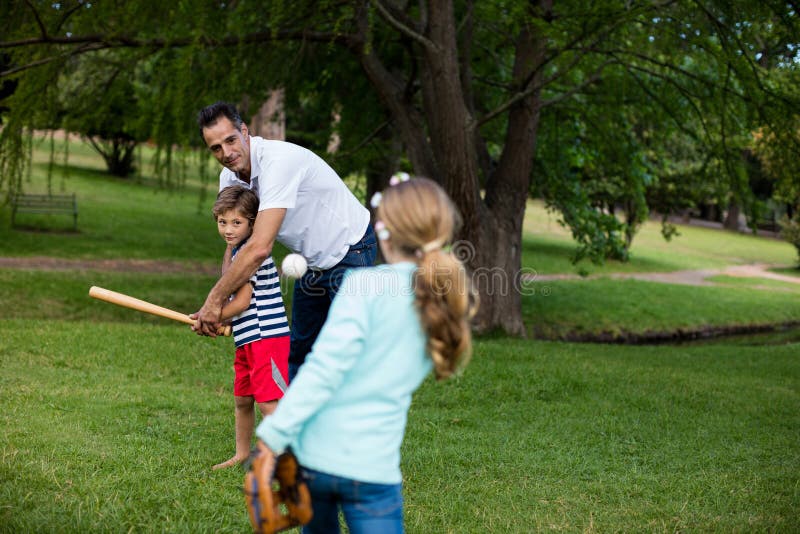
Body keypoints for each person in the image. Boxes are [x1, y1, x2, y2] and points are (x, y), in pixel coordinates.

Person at [253, 177, 478, 533]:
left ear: (382, 232)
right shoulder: (440, 300)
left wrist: (274, 434)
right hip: (375, 472)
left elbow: (324, 369)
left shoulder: (364, 285)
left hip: (317, 463)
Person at [192, 102, 377, 381]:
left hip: (351, 250)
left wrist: (215, 301)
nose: (226, 153)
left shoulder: (278, 163)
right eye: (215, 148)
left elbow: (259, 247)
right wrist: (226, 305)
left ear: (244, 131)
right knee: (299, 354)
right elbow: (237, 245)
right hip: (311, 263)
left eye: (230, 140)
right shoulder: (229, 177)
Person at [211, 185, 291, 470]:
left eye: (237, 222)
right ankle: (242, 454)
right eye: (223, 222)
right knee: (243, 400)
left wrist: (214, 315)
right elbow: (227, 282)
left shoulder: (253, 255)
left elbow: (242, 301)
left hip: (266, 338)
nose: (229, 229)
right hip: (248, 339)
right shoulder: (237, 253)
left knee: (270, 404)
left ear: (252, 224)